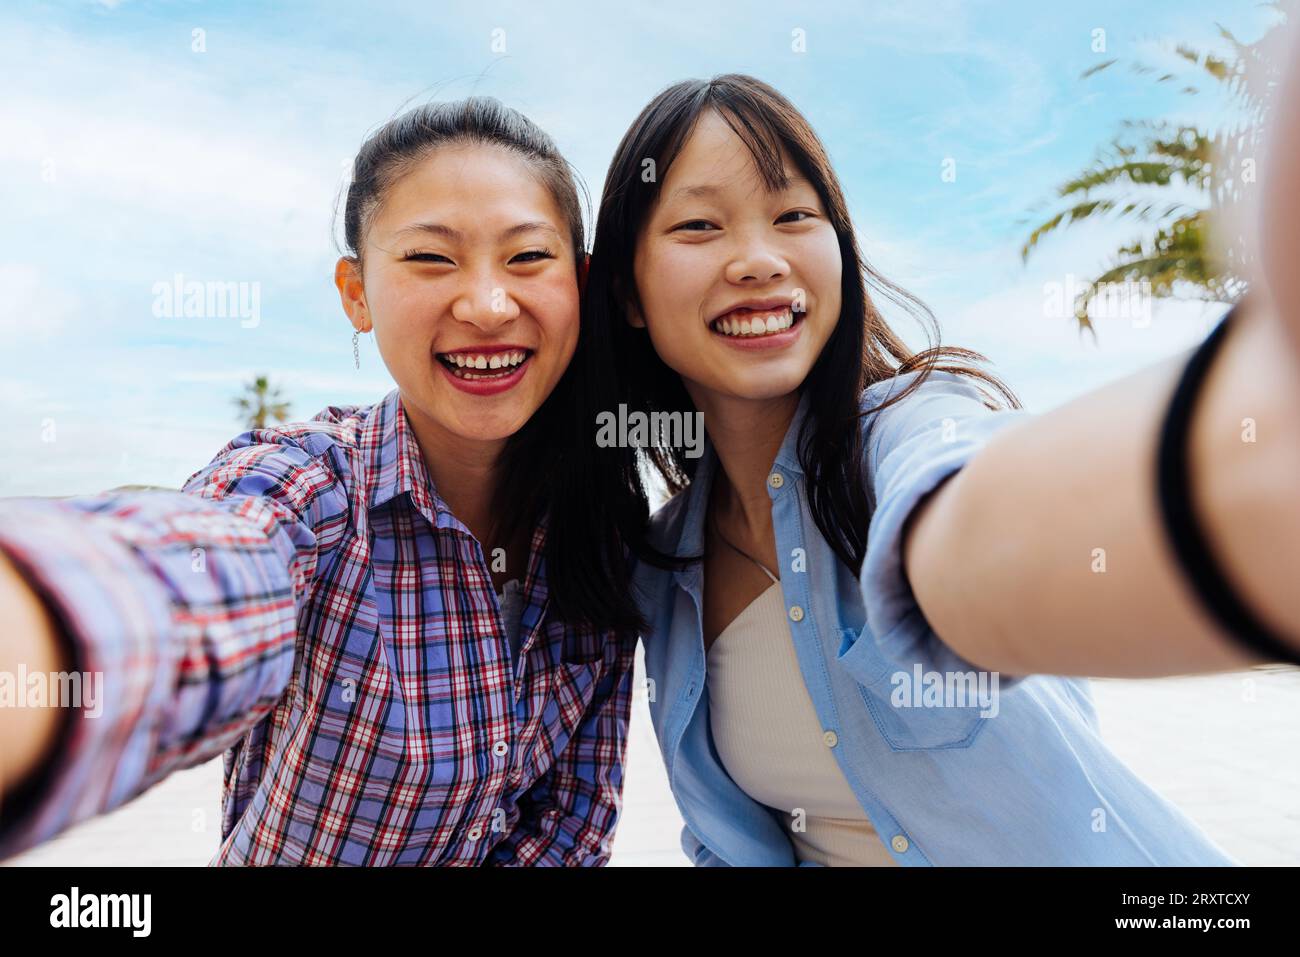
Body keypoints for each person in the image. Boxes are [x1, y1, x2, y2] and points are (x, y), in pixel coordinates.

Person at [577, 73, 1255, 866]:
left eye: (795, 215)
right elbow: (732, 841)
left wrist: (981, 543)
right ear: (626, 290)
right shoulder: (664, 569)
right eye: (699, 225)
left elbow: (962, 472)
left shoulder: (913, 422)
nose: (759, 259)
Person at [0, 97, 642, 866]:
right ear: (356, 294)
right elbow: (197, 581)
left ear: (583, 283)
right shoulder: (313, 489)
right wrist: (41, 630)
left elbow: (571, 830)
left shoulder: (599, 530)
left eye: (528, 257)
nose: (486, 303)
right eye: (431, 258)